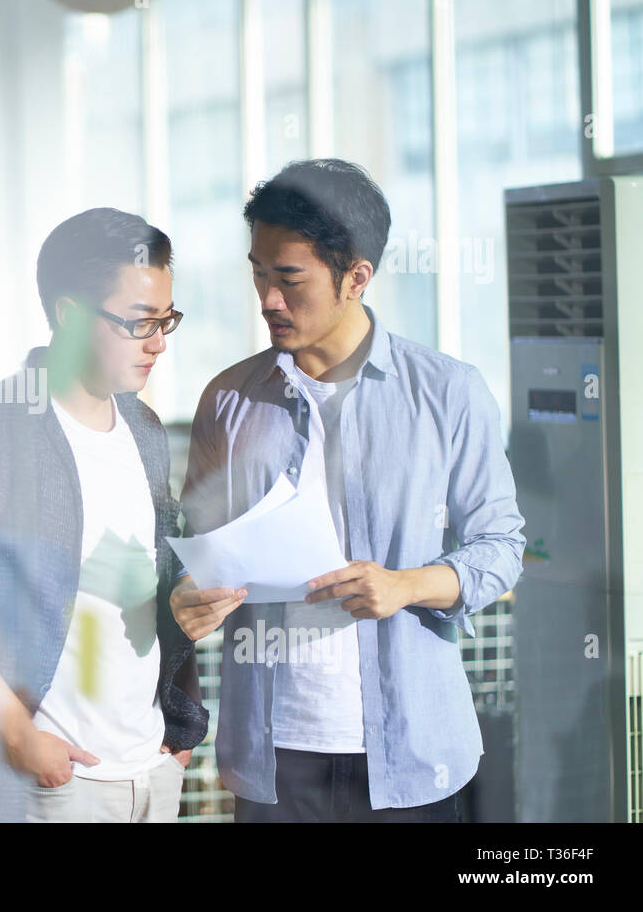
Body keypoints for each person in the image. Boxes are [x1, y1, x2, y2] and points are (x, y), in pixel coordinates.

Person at [174, 158, 525, 822]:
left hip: (412, 754)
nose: (267, 300)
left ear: (356, 276)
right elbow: (195, 549)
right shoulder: (228, 399)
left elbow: (502, 546)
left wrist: (406, 585)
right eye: (257, 272)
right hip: (271, 756)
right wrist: (187, 600)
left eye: (289, 278)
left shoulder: (448, 392)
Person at [0, 207, 221, 823]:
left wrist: (186, 606)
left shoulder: (144, 429)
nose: (160, 341)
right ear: (70, 315)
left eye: (167, 321)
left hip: (152, 771)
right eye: (140, 323)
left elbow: (144, 585)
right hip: (53, 782)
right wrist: (17, 735)